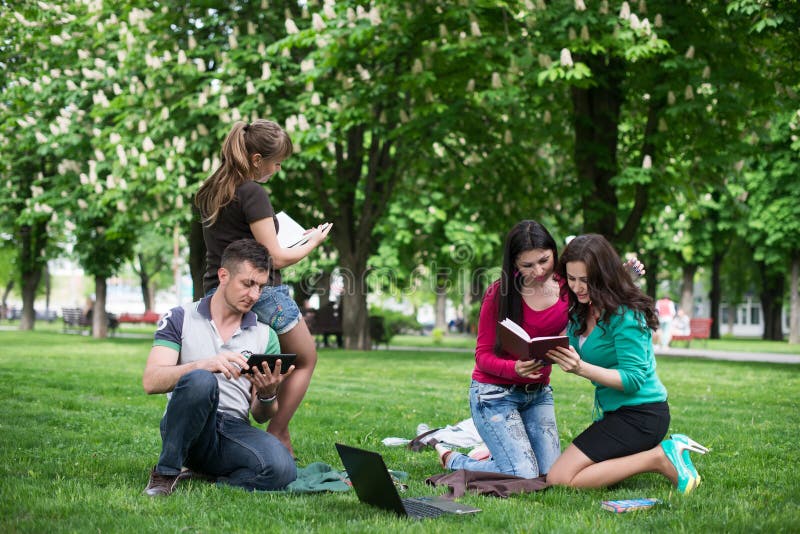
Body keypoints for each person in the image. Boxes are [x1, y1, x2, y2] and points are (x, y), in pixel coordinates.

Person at [435, 221, 621, 478]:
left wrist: (629, 271)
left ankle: (498, 452)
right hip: (494, 396)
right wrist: (515, 368)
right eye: (527, 265)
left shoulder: (568, 287)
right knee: (524, 475)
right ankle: (453, 459)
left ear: (554, 253)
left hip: (538, 394)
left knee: (549, 474)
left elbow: (602, 282)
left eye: (544, 260)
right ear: (514, 264)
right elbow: (482, 356)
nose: (539, 270)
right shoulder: (499, 293)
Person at [195, 119, 332, 456]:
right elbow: (275, 259)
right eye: (276, 161)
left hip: (218, 290)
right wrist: (313, 241)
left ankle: (230, 436)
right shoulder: (252, 192)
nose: (278, 168)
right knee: (305, 359)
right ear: (257, 160)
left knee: (240, 368)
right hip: (261, 293)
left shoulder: (213, 189)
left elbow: (237, 241)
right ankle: (277, 434)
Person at [545, 234, 708, 493]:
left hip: (643, 415)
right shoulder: (580, 312)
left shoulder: (626, 315)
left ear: (602, 275)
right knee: (567, 475)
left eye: (586, 280)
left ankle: (659, 457)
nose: (577, 287)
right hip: (616, 414)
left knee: (560, 479)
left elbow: (633, 380)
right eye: (572, 278)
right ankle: (653, 457)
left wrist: (580, 368)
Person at [142, 239, 297, 496]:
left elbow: (260, 415)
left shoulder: (265, 335)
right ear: (223, 275)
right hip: (188, 427)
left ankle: (214, 477)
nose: (255, 295)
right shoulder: (179, 317)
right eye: (248, 284)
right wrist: (204, 365)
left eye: (260, 286)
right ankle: (165, 472)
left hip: (233, 430)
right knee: (201, 380)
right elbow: (151, 381)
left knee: (283, 469)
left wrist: (268, 394)